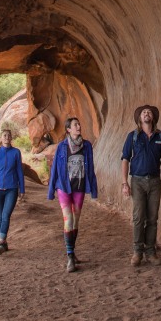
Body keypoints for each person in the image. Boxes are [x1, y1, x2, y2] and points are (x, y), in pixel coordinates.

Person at [121, 104, 161, 266]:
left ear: (153, 118)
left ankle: (151, 251)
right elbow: (125, 159)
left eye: (149, 112)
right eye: (144, 112)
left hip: (154, 181)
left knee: (152, 217)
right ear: (140, 118)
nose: (146, 114)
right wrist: (124, 183)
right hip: (137, 181)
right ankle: (137, 251)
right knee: (139, 217)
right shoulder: (133, 136)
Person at [47, 116, 98, 273]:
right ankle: (70, 257)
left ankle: (72, 251)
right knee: (68, 220)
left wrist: (93, 188)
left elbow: (91, 168)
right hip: (63, 186)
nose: (78, 126)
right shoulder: (62, 147)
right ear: (68, 129)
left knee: (75, 222)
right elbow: (55, 167)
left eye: (79, 124)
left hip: (79, 187)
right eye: (75, 125)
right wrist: (51, 191)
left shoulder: (87, 146)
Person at [0, 128, 26, 254]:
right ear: (1, 139)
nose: (7, 137)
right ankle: (4, 242)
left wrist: (22, 189)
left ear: (11, 138)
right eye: (4, 135)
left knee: (6, 215)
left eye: (9, 135)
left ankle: (1, 241)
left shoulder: (16, 152)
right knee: (0, 217)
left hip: (11, 188)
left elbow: (19, 171)